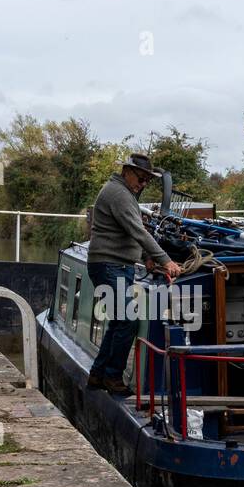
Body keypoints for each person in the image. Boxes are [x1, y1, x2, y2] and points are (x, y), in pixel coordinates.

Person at [86, 153, 182, 395]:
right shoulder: (118, 194)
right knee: (128, 320)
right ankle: (112, 377)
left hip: (115, 265)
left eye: (147, 181)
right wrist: (166, 260)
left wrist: (145, 258)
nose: (143, 184)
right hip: (110, 266)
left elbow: (126, 234)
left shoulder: (122, 193)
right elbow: (138, 231)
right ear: (126, 171)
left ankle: (98, 374)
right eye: (141, 178)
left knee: (120, 320)